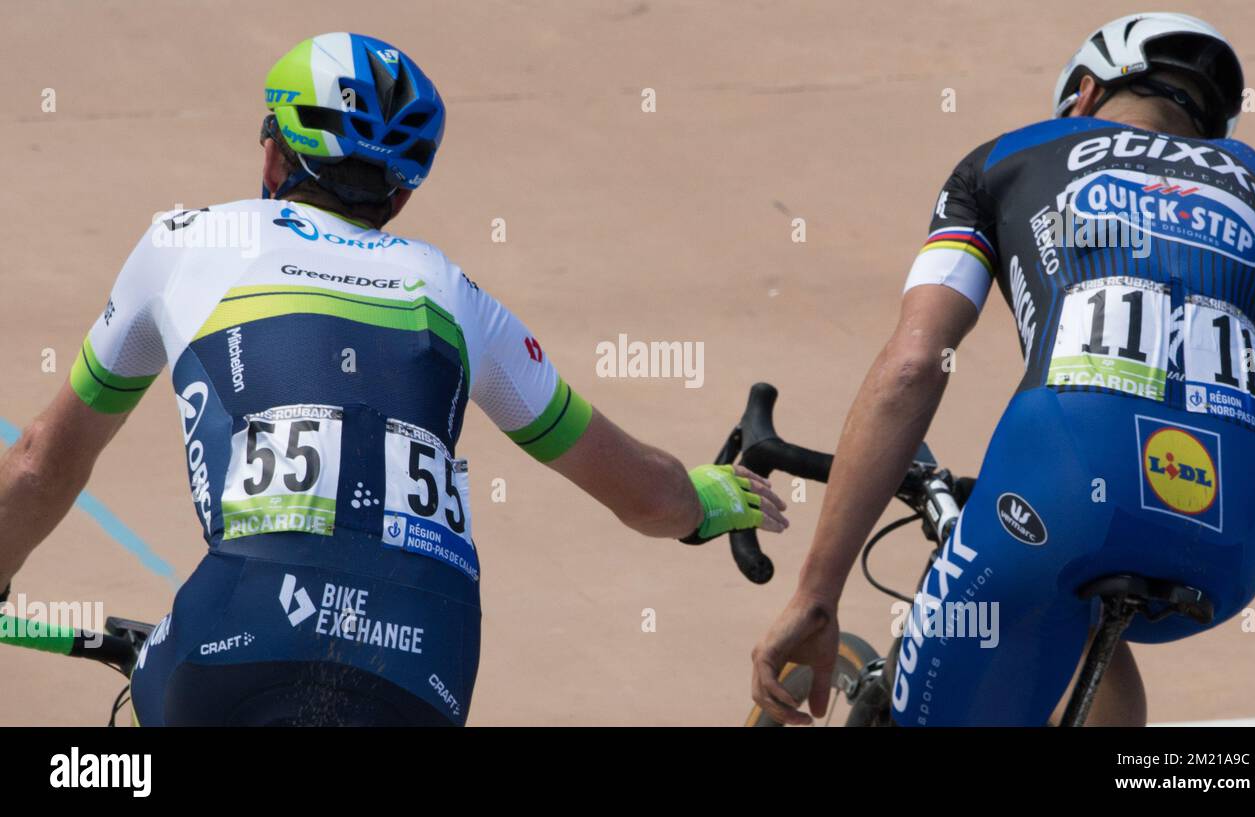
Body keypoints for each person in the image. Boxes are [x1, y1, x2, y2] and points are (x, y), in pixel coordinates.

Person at [0, 32, 786, 726]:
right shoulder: (452, 294)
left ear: (272, 153)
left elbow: (41, 462)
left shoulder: (187, 240)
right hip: (425, 656)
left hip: (238, 627)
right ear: (402, 195)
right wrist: (713, 497)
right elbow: (648, 494)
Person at [751, 12, 1255, 726]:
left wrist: (817, 594)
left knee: (1040, 592)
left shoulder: (1010, 158)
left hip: (1061, 487)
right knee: (1087, 611)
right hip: (1239, 527)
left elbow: (914, 363)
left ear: (1086, 92)